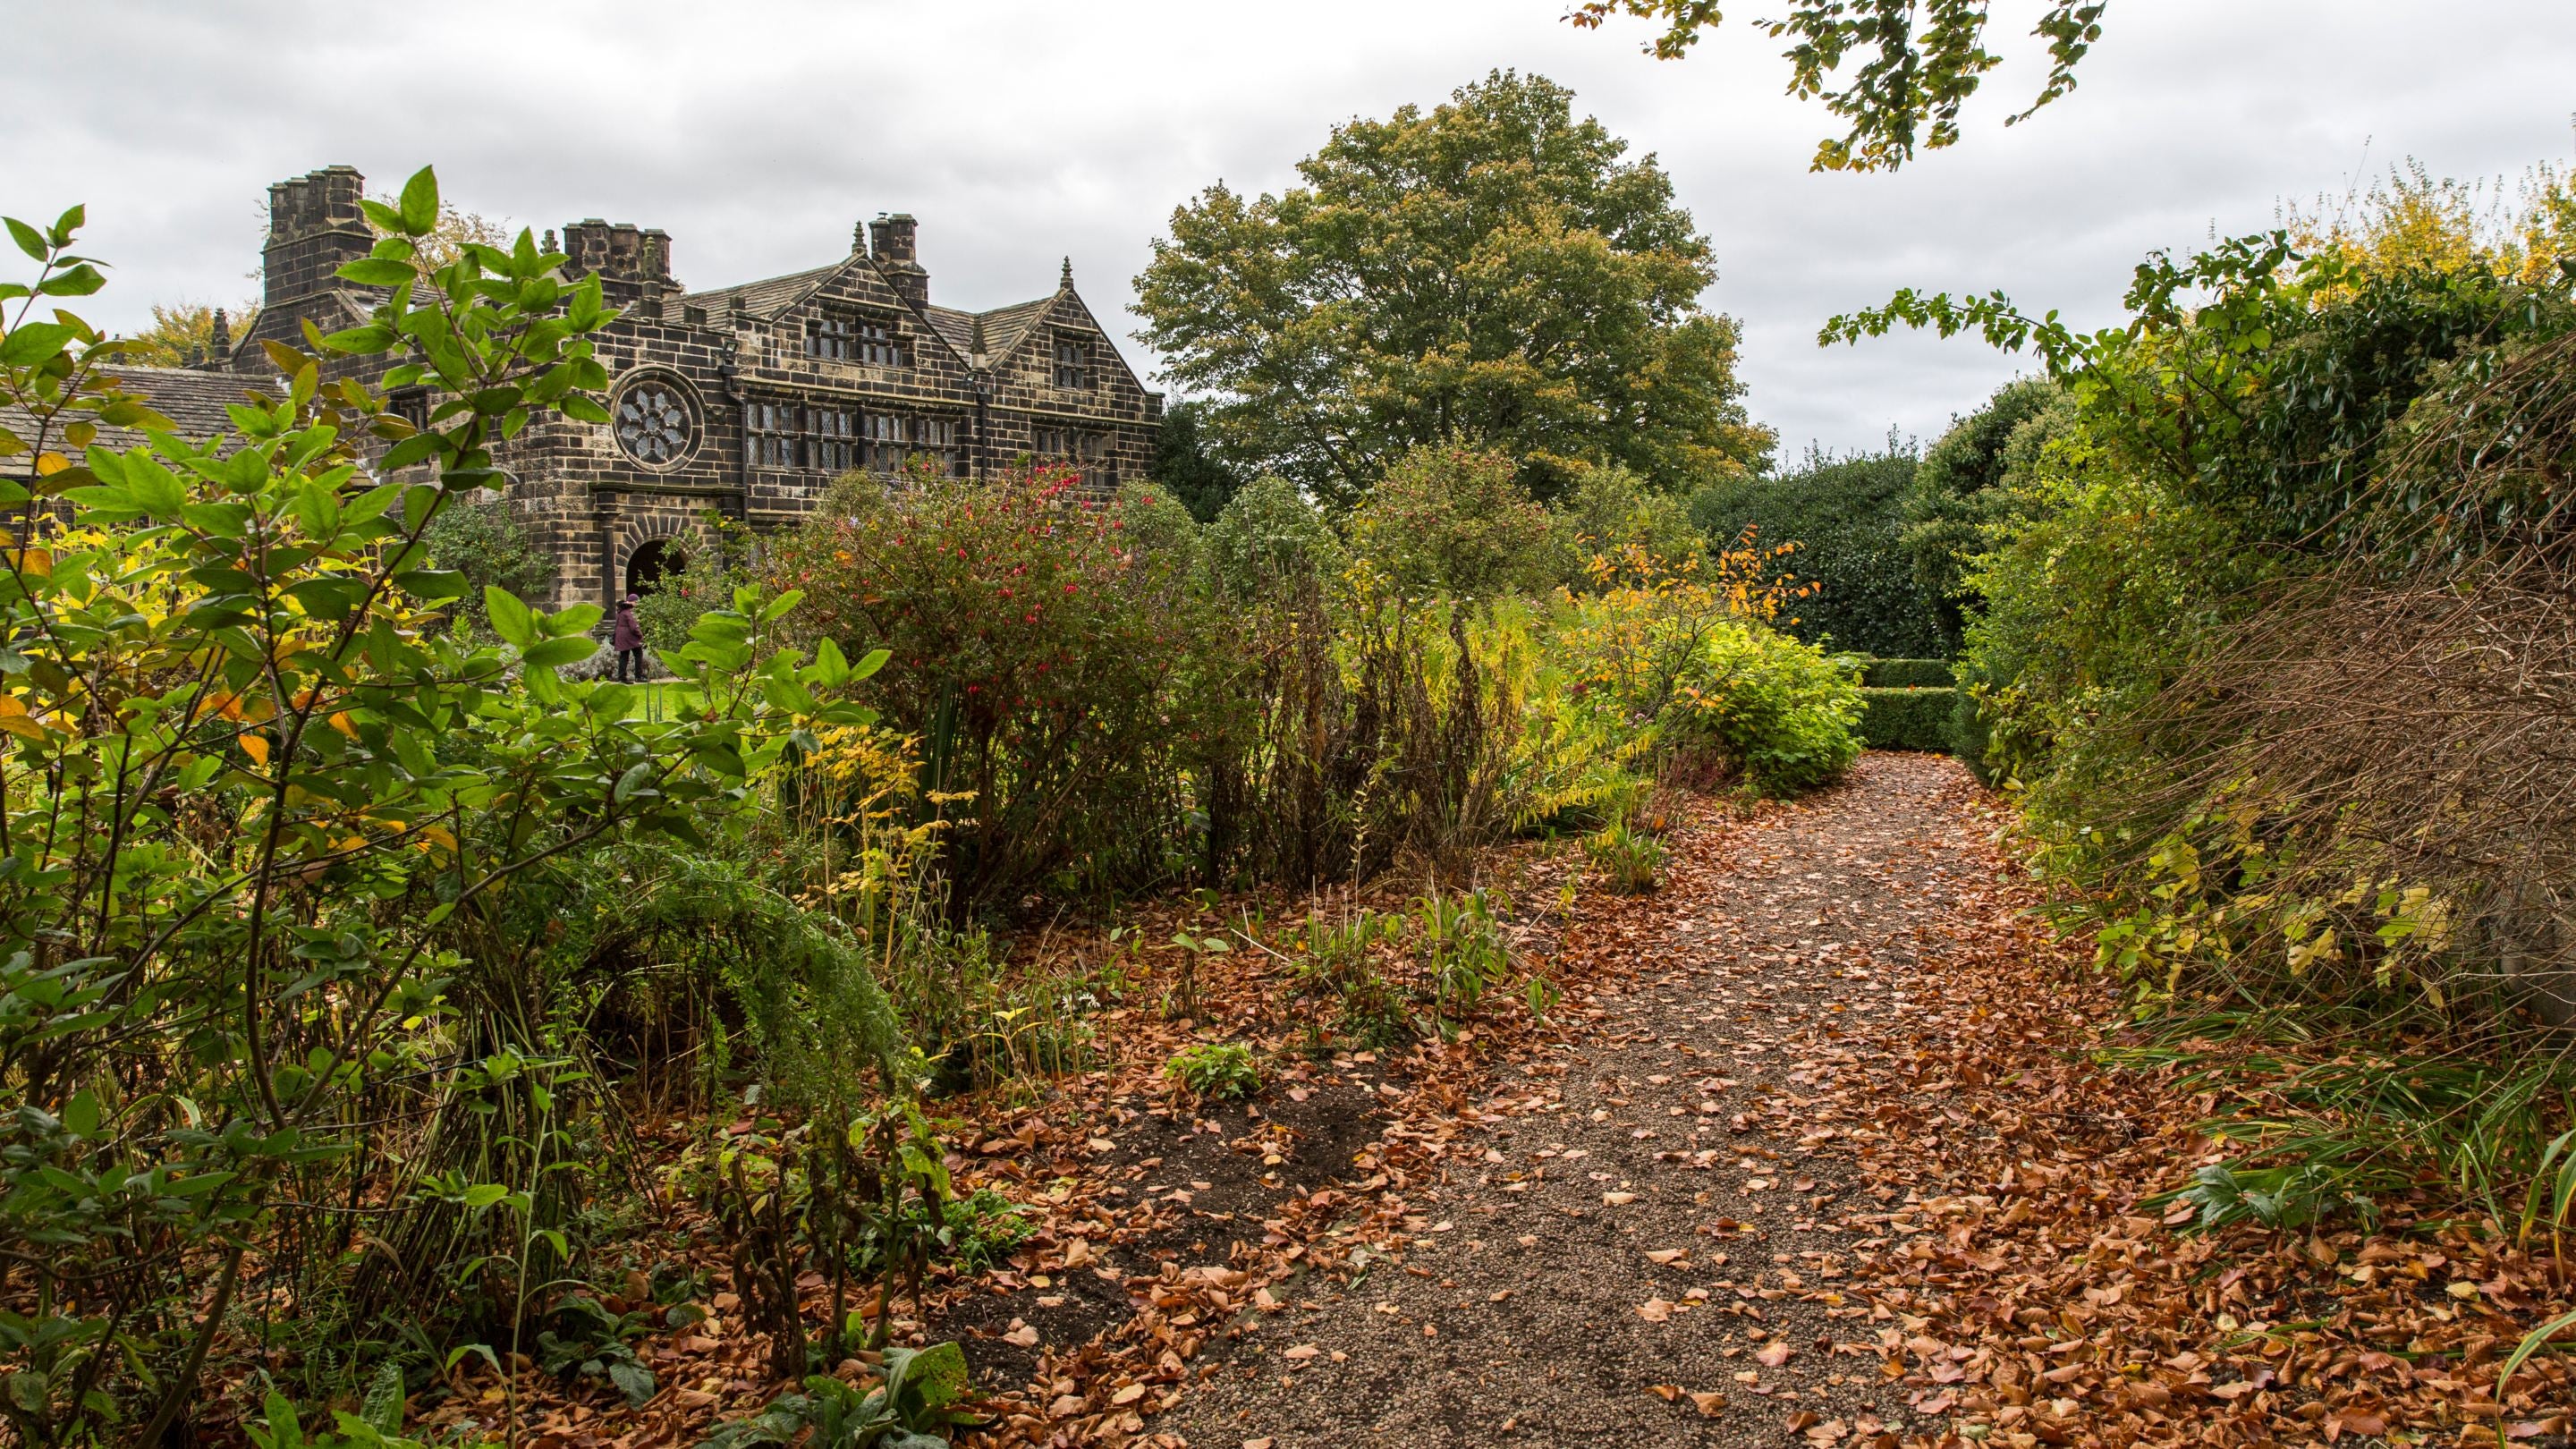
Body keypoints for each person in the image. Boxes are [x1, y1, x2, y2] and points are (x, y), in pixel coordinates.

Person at [613, 592, 645, 682]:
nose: (637, 604)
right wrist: (641, 636)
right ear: (631, 602)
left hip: (621, 637)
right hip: (629, 637)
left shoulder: (620, 610)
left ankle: (621, 678)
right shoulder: (628, 612)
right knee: (638, 654)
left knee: (624, 657)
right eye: (636, 602)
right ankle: (639, 676)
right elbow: (634, 627)